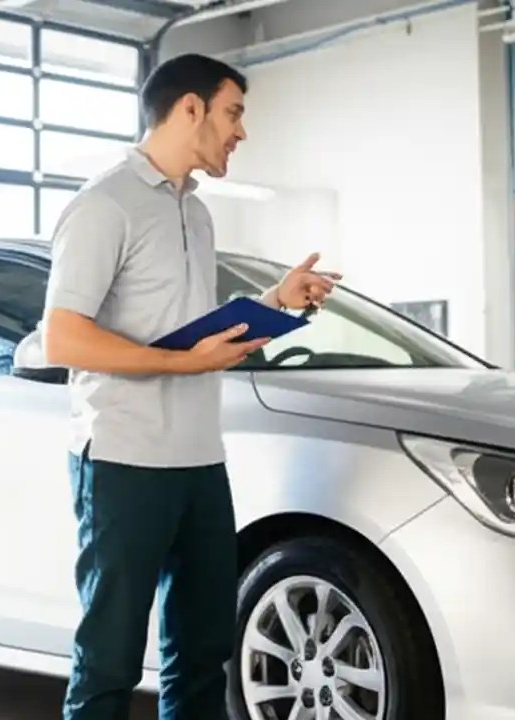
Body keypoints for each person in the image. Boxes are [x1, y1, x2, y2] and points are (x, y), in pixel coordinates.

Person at [40, 53, 339, 720]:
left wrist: (273, 300)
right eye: (234, 113)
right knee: (111, 658)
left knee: (204, 650)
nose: (242, 131)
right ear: (191, 108)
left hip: (200, 461)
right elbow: (64, 338)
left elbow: (187, 333)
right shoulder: (103, 204)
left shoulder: (197, 215)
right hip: (124, 460)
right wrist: (180, 365)